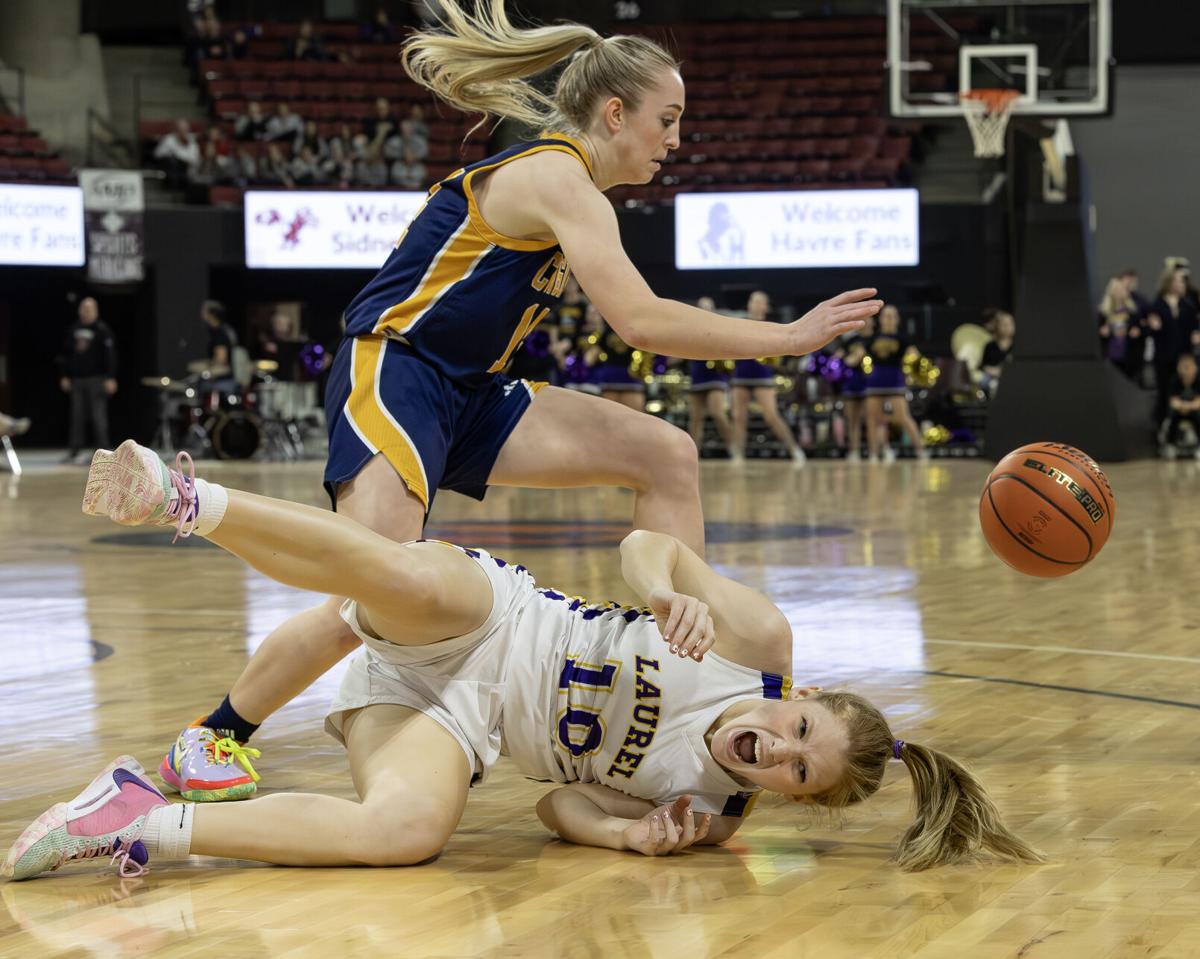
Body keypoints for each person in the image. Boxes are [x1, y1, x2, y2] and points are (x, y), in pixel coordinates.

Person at [152, 0, 881, 803]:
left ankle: (684, 661)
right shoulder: (555, 177)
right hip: (400, 364)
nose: (675, 139)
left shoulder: (572, 187)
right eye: (666, 119)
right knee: (378, 587)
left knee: (664, 451)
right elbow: (638, 321)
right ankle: (214, 732)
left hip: (471, 388)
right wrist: (786, 337)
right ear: (615, 112)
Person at [2, 440, 1042, 878]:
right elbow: (648, 542)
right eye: (801, 730)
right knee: (399, 575)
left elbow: (556, 810)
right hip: (498, 618)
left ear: (796, 799)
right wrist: (664, 587)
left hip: (464, 721)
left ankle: (139, 819)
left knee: (408, 832)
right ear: (802, 697)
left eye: (796, 770)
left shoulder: (716, 816)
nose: (776, 747)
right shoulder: (759, 648)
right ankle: (183, 497)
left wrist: (629, 838)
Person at [729, 291, 805, 464]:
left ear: (765, 306)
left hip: (762, 376)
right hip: (741, 375)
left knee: (771, 415)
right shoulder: (741, 324)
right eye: (752, 301)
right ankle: (737, 454)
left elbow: (777, 356)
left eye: (759, 302)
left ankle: (794, 449)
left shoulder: (771, 326)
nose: (755, 305)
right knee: (738, 416)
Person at [853, 304, 926, 463]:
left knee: (903, 417)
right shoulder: (872, 338)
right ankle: (873, 454)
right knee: (872, 419)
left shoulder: (903, 339)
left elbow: (915, 356)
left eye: (892, 316)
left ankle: (920, 451)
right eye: (886, 316)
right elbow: (858, 356)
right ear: (881, 319)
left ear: (897, 319)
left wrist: (914, 361)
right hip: (875, 382)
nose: (889, 319)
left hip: (895, 382)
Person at [58, 297, 117, 464]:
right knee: (77, 417)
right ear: (79, 310)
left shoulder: (102, 330)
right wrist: (64, 375)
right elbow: (66, 355)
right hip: (77, 380)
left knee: (98, 416)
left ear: (96, 311)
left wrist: (110, 377)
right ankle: (74, 450)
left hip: (97, 380)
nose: (86, 311)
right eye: (84, 308)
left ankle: (104, 452)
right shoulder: (73, 329)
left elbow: (111, 356)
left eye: (90, 309)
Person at [1146, 266, 1200, 421]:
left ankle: (1184, 430)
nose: (1181, 284)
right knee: (1163, 392)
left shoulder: (1187, 305)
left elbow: (1194, 325)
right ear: (1169, 282)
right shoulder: (1158, 304)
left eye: (1182, 281)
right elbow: (1151, 329)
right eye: (1178, 280)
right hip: (1164, 357)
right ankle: (1161, 426)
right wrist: (1152, 326)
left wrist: (1196, 333)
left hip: (1183, 358)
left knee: (1185, 392)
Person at [687, 297, 733, 457]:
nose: (704, 310)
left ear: (712, 309)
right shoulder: (691, 329)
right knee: (695, 418)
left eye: (708, 307)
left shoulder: (719, 327)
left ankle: (733, 448)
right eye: (701, 307)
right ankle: (693, 454)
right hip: (697, 375)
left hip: (716, 376)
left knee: (717, 412)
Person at [837, 312, 874, 462]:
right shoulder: (851, 340)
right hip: (852, 383)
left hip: (870, 383)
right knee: (852, 419)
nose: (865, 320)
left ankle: (875, 451)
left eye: (868, 317)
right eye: (862, 318)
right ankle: (854, 451)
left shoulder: (875, 339)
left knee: (871, 419)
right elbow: (843, 359)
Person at [1097, 278, 1142, 381]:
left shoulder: (1133, 311)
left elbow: (1141, 328)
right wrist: (1102, 332)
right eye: (1116, 289)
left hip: (1129, 354)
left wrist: (1138, 331)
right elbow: (1097, 332)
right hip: (1111, 354)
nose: (1119, 292)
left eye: (1121, 289)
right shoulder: (1103, 312)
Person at [1160, 353, 1200, 459]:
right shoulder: (1175, 380)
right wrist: (1186, 406)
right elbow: (1173, 402)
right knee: (1173, 417)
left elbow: (1198, 403)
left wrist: (1186, 406)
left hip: (1193, 412)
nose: (1186, 370)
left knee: (1198, 417)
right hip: (1180, 412)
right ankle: (1171, 445)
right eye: (1184, 367)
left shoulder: (1198, 380)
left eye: (1189, 367)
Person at [152, 121, 200, 189]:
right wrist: (171, 155)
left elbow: (195, 159)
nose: (183, 132)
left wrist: (178, 155)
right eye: (181, 130)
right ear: (176, 130)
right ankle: (173, 187)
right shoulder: (169, 139)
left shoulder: (191, 140)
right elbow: (157, 154)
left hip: (188, 168)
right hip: (171, 167)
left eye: (185, 130)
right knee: (172, 161)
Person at [980, 309, 1015, 397]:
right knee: (985, 381)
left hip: (1011, 375)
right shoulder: (990, 346)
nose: (1006, 327)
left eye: (1009, 324)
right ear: (997, 326)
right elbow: (984, 366)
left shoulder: (1018, 347)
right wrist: (994, 372)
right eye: (1003, 324)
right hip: (992, 377)